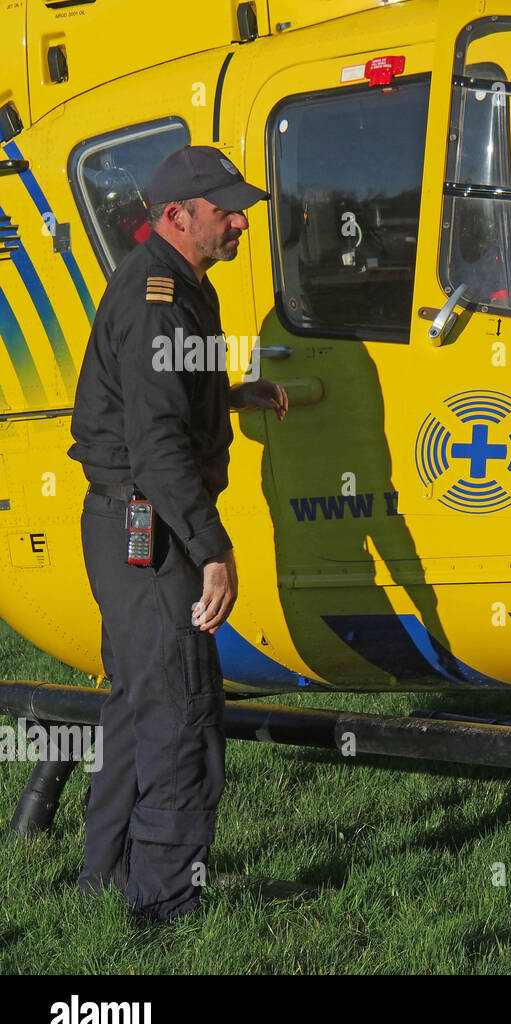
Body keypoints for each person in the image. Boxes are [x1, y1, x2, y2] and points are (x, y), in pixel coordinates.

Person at [68, 145, 288, 923]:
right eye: (224, 208)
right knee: (184, 712)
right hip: (151, 526)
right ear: (174, 217)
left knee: (139, 703)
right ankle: (163, 903)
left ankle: (107, 879)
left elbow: (154, 399)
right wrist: (212, 550)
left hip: (127, 520)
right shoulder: (162, 296)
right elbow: (157, 444)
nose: (240, 220)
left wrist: (229, 395)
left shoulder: (183, 285)